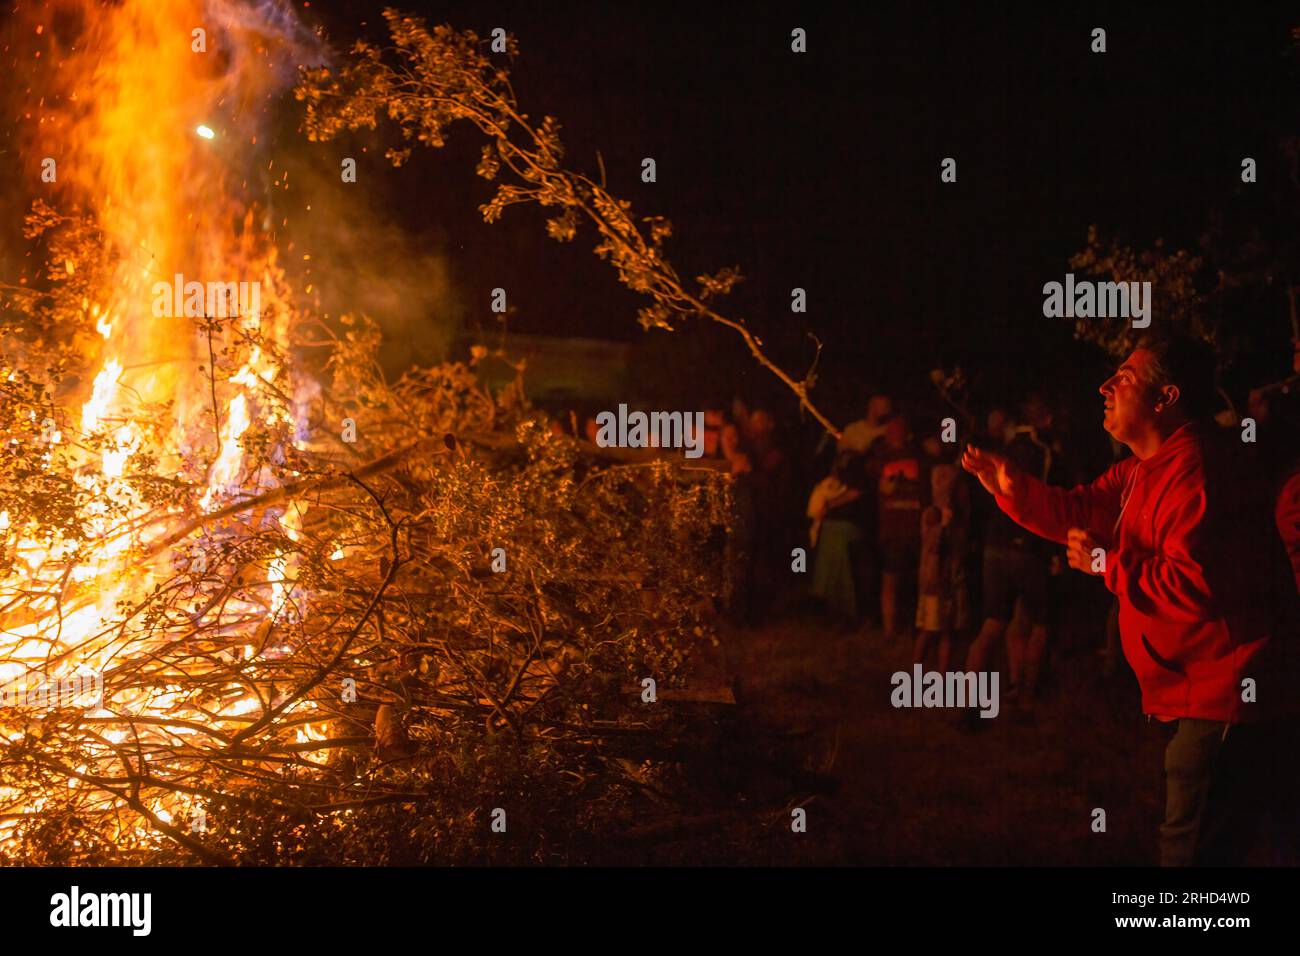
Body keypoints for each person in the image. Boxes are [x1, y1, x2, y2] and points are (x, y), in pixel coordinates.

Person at [962, 330, 1300, 866]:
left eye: (1124, 377)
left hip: (1229, 696)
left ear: (1166, 398)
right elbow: (1079, 510)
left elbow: (1195, 586)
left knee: (1191, 858)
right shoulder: (1143, 468)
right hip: (1216, 693)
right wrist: (1012, 488)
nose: (1105, 386)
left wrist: (1104, 563)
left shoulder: (1198, 471)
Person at [964, 409, 1054, 718]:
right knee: (1039, 625)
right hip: (1028, 548)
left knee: (993, 625)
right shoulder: (1045, 456)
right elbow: (1053, 500)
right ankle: (1025, 697)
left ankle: (972, 703)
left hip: (995, 547)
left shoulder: (997, 458)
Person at [871, 414, 925, 638]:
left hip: (916, 527)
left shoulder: (918, 455)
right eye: (890, 429)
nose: (894, 432)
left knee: (918, 581)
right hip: (893, 529)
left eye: (899, 428)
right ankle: (889, 630)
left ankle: (918, 627)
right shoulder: (880, 457)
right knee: (890, 579)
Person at [913, 464, 969, 673]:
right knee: (929, 630)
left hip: (953, 583)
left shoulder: (960, 517)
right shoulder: (931, 514)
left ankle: (943, 677)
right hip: (935, 584)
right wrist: (943, 526)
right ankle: (916, 674)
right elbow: (932, 547)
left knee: (948, 633)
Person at [808, 452, 869, 626]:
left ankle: (850, 615)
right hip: (831, 531)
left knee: (846, 577)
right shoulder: (827, 483)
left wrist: (830, 504)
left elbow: (856, 492)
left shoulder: (857, 474)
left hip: (846, 531)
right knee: (831, 576)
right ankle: (833, 614)